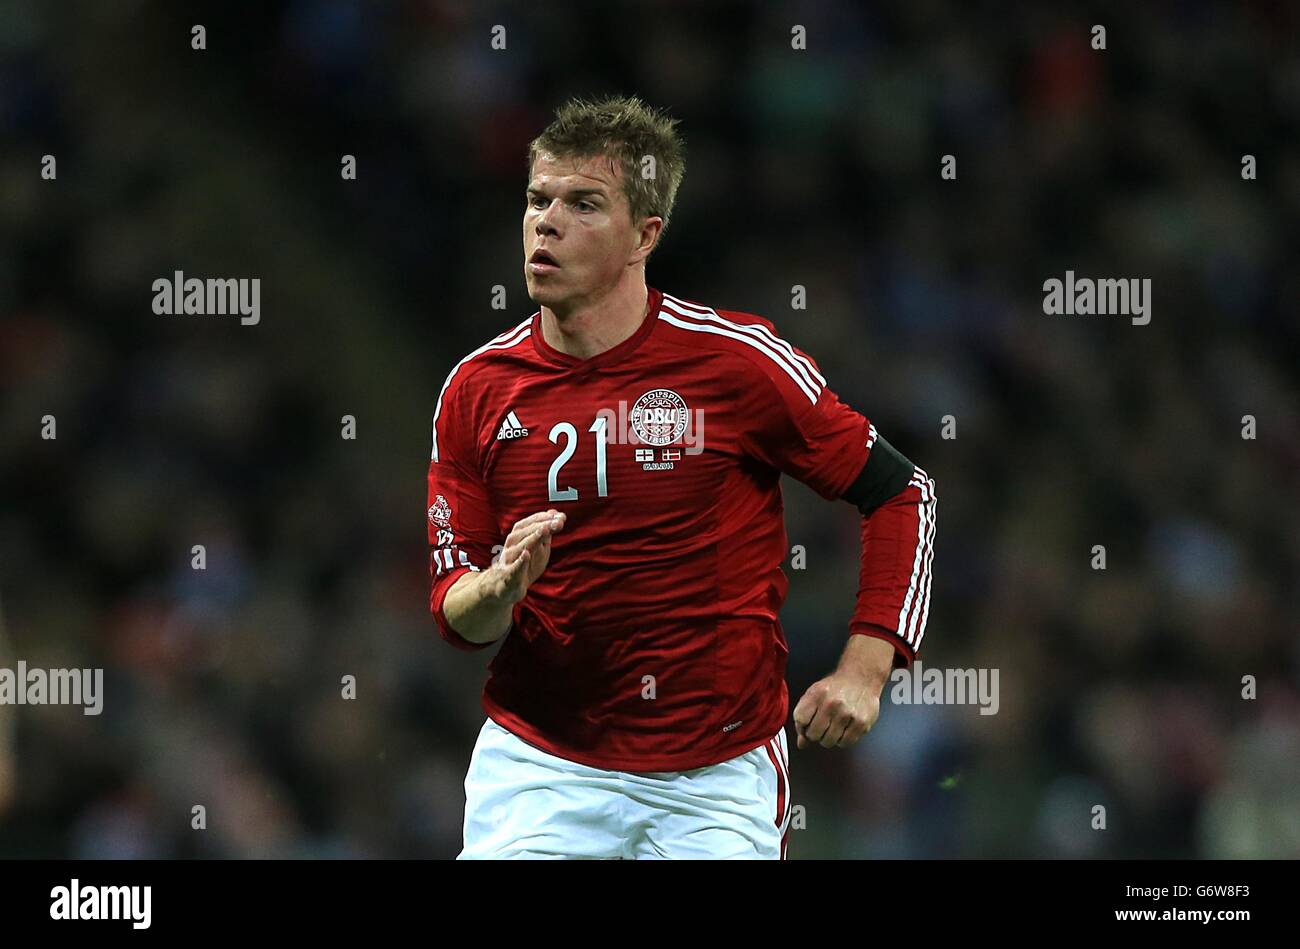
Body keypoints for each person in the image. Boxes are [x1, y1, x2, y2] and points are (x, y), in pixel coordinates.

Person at [427, 95, 936, 859]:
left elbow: (901, 492)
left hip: (717, 774)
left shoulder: (735, 362)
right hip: (541, 764)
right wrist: (497, 589)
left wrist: (866, 668)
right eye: (538, 199)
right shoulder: (477, 390)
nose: (547, 221)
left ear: (644, 235)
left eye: (583, 203)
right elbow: (454, 613)